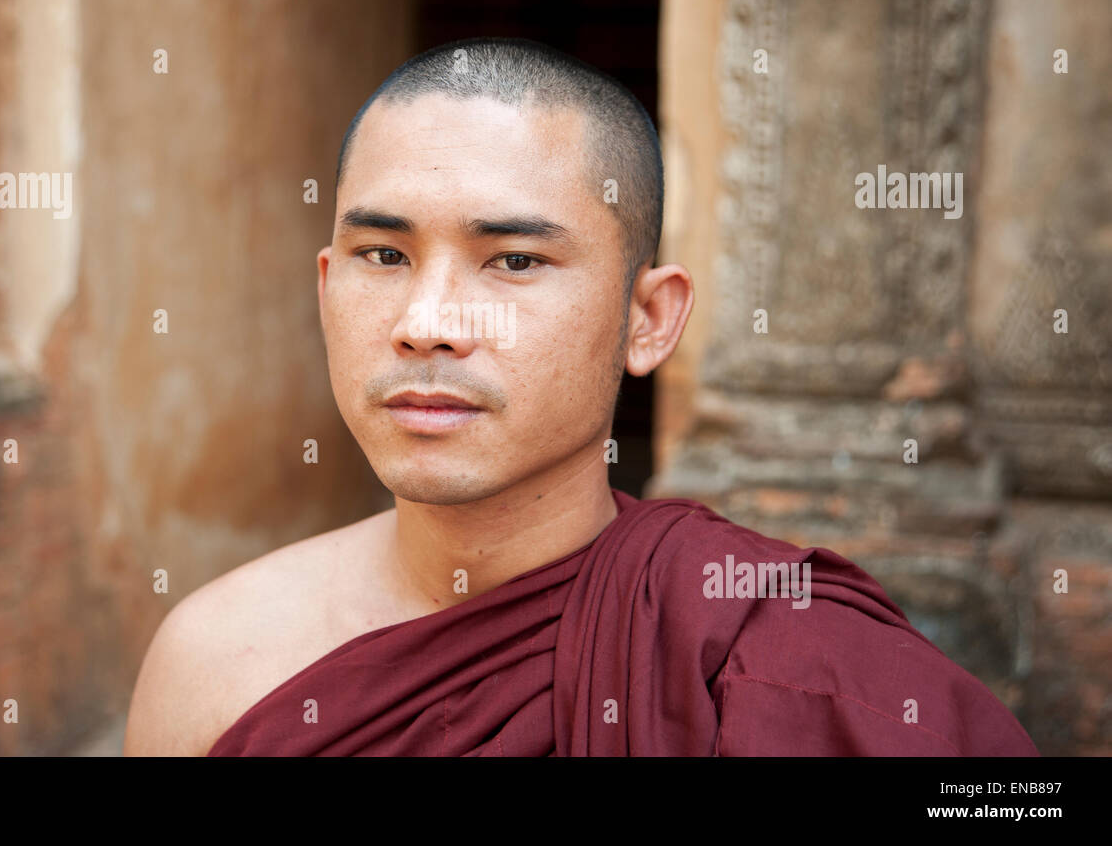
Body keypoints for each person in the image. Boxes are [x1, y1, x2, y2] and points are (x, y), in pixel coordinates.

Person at [124, 37, 1039, 756]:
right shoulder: (216, 659)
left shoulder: (772, 661)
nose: (427, 322)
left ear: (649, 319)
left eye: (515, 260)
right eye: (384, 256)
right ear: (326, 287)